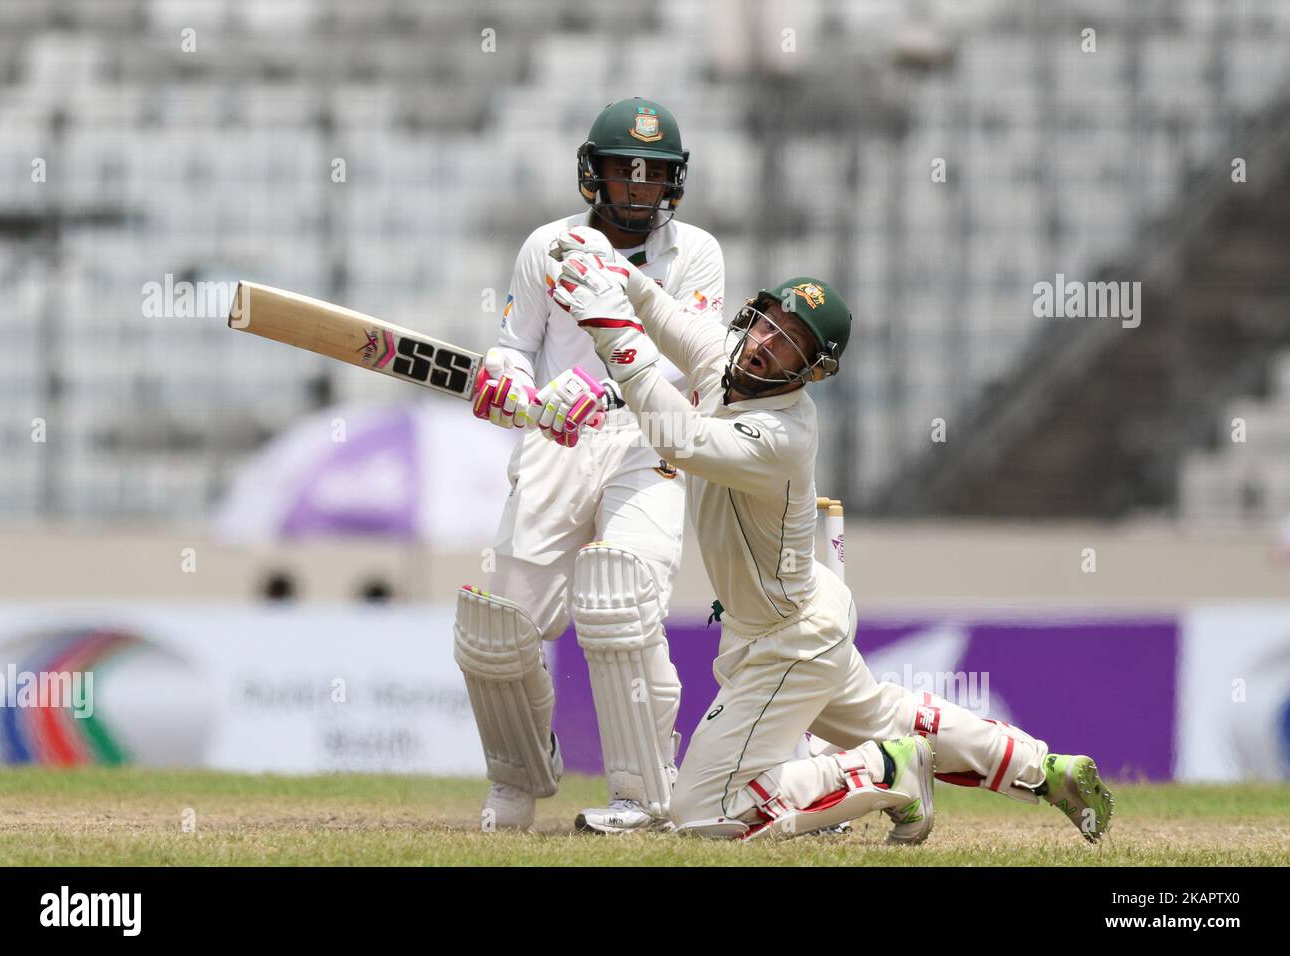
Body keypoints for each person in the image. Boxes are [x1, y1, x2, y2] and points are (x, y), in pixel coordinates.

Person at [546, 227, 1115, 842]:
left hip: (786, 639)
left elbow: (677, 438)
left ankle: (884, 771)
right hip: (802, 614)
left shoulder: (781, 436)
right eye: (769, 322)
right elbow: (663, 312)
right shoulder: (726, 361)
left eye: (791, 343)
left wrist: (607, 326)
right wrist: (615, 272)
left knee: (701, 811)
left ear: (811, 370)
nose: (766, 343)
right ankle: (1048, 768)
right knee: (889, 715)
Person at [453, 97, 725, 833]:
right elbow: (516, 342)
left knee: (620, 596)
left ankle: (643, 791)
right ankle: (516, 778)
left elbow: (697, 371)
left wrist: (604, 386)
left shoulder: (694, 254)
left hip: (650, 440)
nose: (638, 191)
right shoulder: (547, 245)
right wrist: (507, 374)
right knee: (501, 627)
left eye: (652, 177)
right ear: (592, 175)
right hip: (554, 443)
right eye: (623, 174)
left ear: (673, 181)